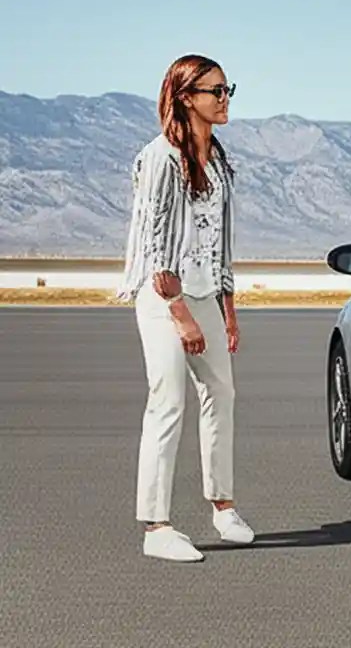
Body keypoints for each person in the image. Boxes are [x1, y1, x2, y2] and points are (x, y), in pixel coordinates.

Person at [115, 54, 255, 561]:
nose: (224, 99)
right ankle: (157, 527)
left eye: (227, 89)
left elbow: (223, 243)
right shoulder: (161, 157)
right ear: (185, 97)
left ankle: (223, 507)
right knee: (169, 398)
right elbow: (156, 245)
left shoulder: (218, 160)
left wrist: (228, 308)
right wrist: (180, 314)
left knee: (222, 391)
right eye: (215, 91)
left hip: (204, 295)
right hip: (163, 297)